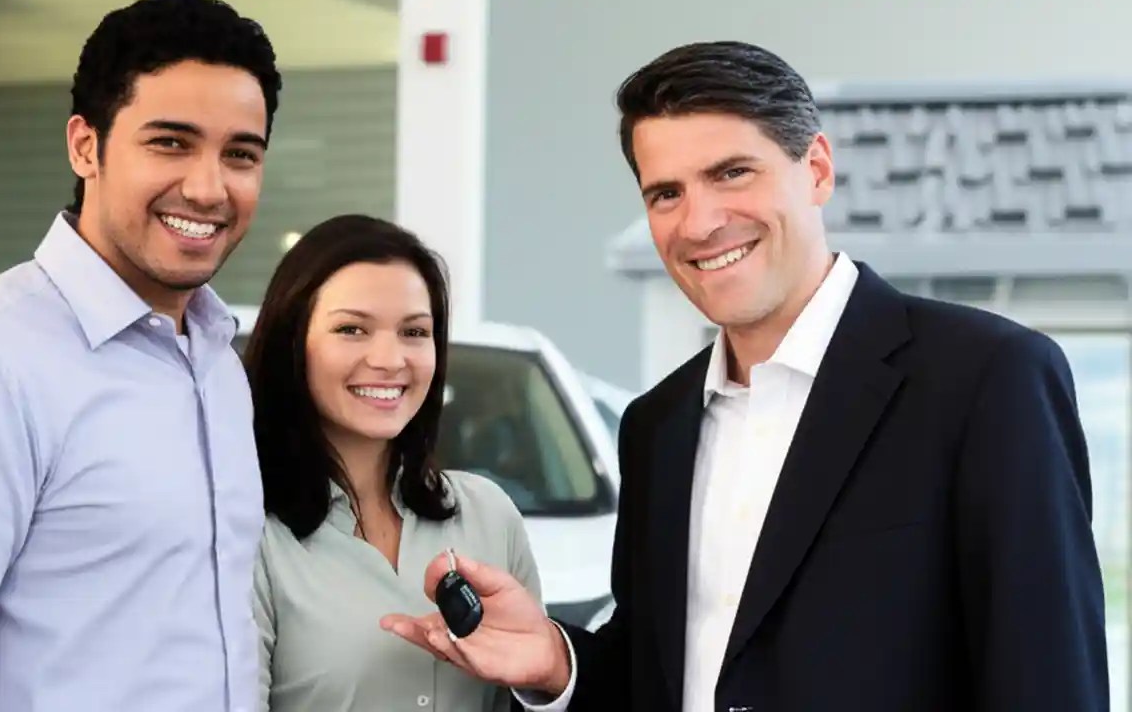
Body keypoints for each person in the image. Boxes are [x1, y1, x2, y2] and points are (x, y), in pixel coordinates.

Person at [382, 41, 1109, 710]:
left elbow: (1049, 679)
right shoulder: (656, 425)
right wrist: (556, 662)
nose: (698, 223)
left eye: (731, 173)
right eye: (665, 193)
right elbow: (665, 675)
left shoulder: (986, 378)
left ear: (817, 168)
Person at [0, 0, 281, 710]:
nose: (209, 188)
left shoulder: (216, 362)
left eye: (240, 154)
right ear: (86, 145)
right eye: (170, 142)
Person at [246, 214, 543, 711]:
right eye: (352, 329)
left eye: (414, 331)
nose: (389, 359)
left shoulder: (489, 515)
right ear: (292, 342)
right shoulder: (247, 535)